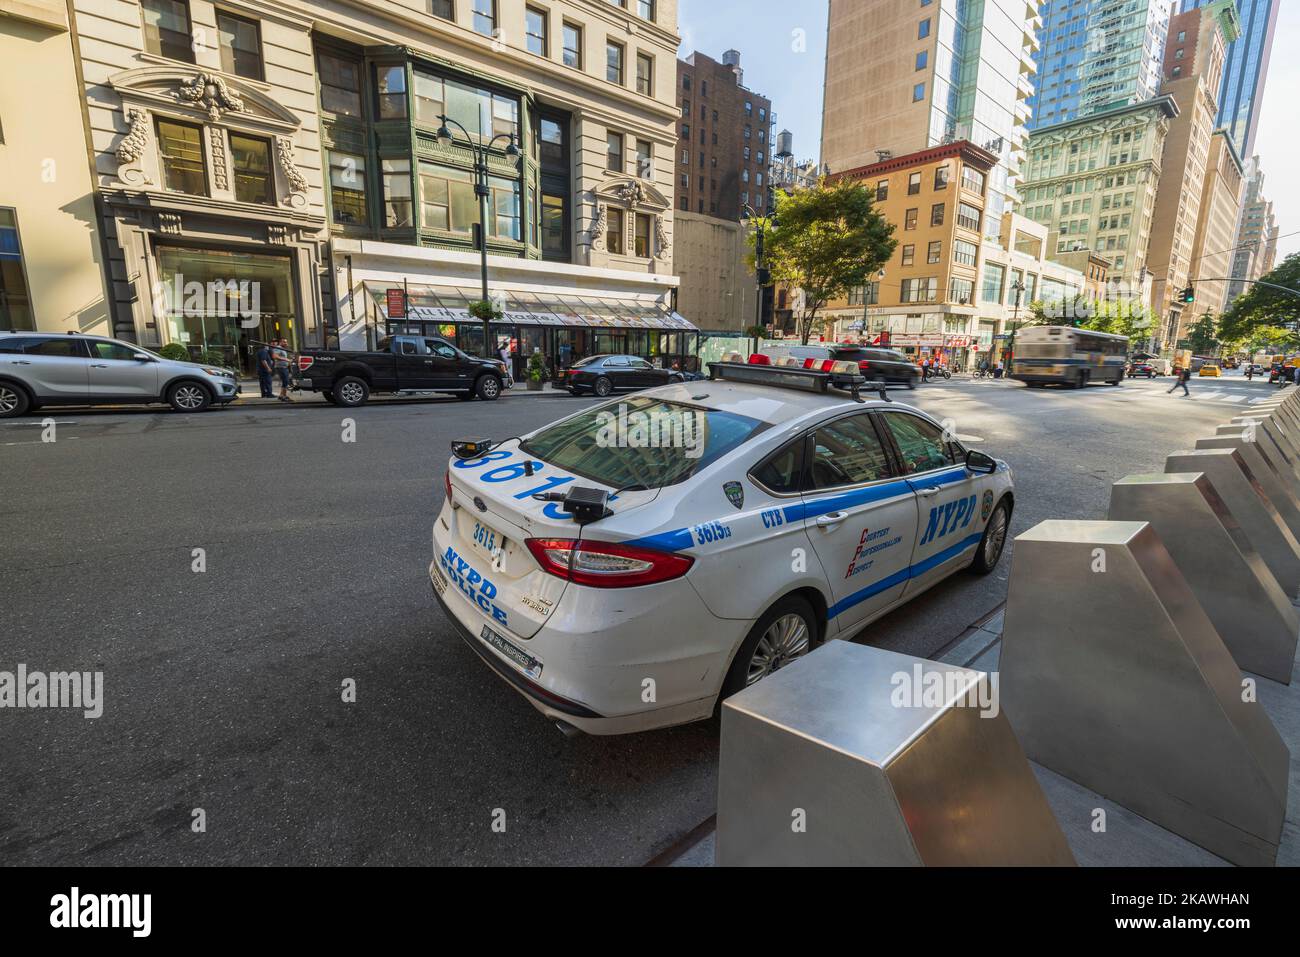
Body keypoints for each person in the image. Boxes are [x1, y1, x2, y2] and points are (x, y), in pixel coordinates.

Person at [272, 338, 293, 403]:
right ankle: (284, 396)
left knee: (285, 381)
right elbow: (275, 356)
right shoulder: (278, 348)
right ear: (280, 342)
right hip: (281, 367)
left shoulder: (282, 349)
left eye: (286, 342)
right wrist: (286, 360)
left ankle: (282, 395)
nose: (286, 343)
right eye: (284, 342)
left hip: (284, 367)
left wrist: (289, 360)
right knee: (286, 381)